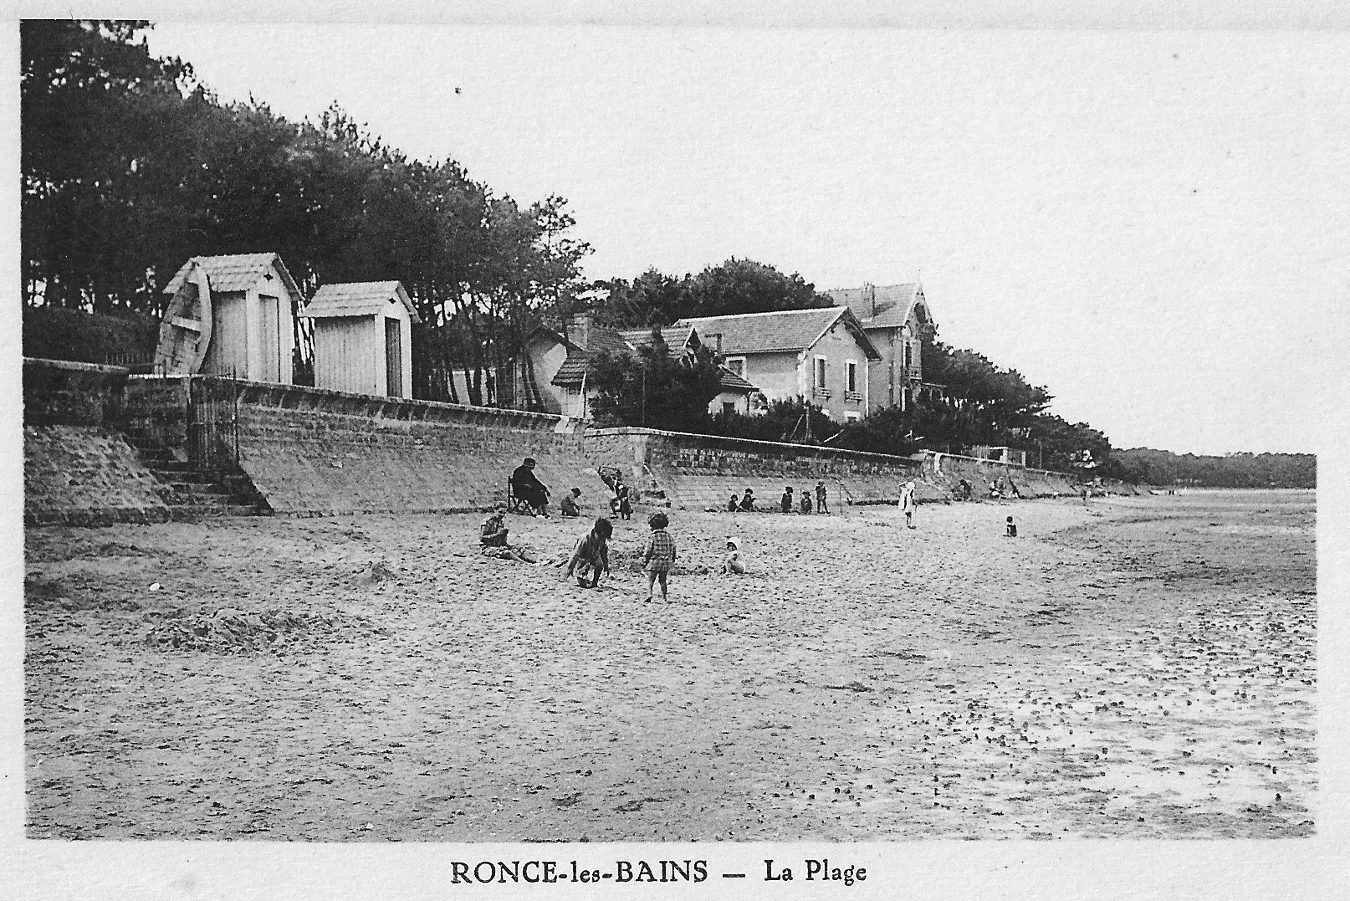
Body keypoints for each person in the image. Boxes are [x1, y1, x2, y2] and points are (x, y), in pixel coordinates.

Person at [566, 517, 613, 587]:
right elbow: (575, 555)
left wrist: (606, 566)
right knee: (582, 580)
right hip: (582, 558)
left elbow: (603, 552)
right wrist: (569, 570)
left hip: (593, 555)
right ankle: (580, 576)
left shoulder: (602, 539)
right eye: (602, 537)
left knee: (600, 564)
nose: (603, 539)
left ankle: (594, 583)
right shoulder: (584, 539)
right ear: (597, 532)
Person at [641, 511, 677, 602]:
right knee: (663, 580)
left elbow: (648, 550)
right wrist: (672, 560)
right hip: (665, 562)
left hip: (654, 561)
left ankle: (649, 594)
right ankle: (664, 597)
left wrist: (645, 560)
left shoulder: (652, 537)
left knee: (651, 580)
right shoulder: (669, 536)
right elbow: (673, 549)